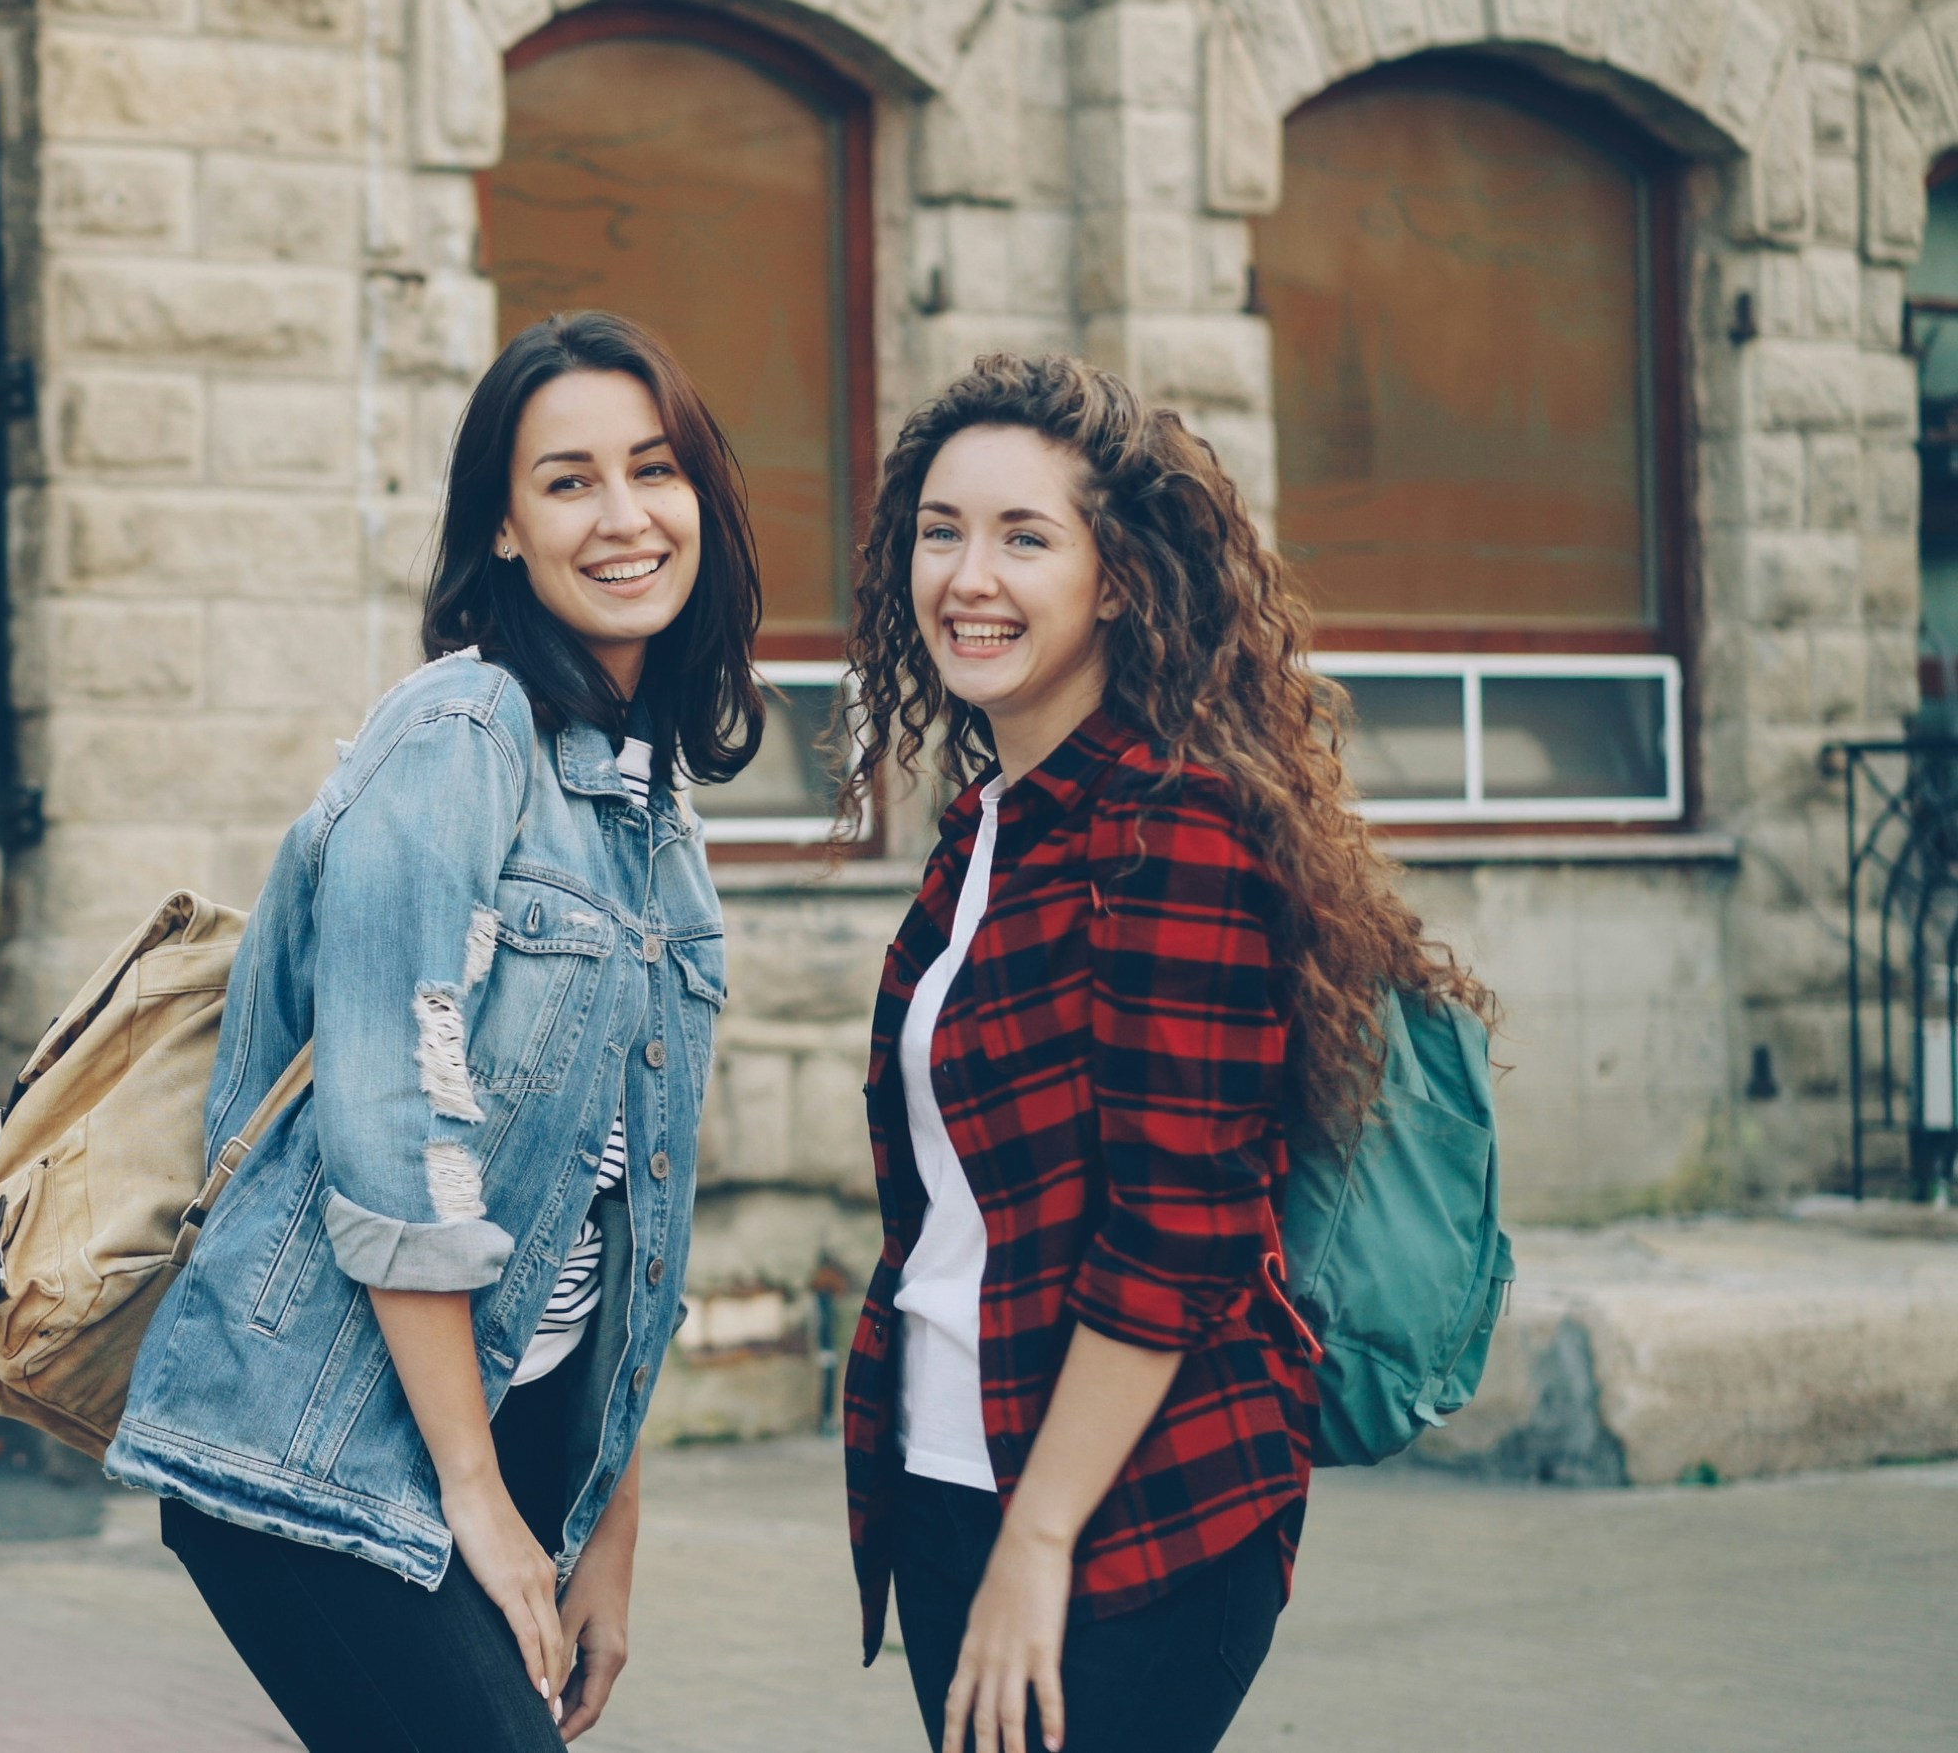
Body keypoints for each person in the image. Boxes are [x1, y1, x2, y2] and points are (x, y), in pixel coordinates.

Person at [105, 312, 763, 1749]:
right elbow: (399, 1130)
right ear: (506, 531)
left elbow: (630, 1204)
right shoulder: (459, 733)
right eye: (568, 480)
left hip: (511, 1428)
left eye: (653, 469)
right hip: (328, 1425)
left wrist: (603, 1518)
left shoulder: (651, 809)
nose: (624, 515)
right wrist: (474, 1491)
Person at [828, 353, 1491, 1753]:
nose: (968, 576)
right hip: (952, 1469)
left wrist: (1040, 1536)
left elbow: (1180, 1230)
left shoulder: (1171, 827)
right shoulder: (989, 826)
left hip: (1129, 1513)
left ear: (1116, 576)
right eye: (940, 531)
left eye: (1025, 536)